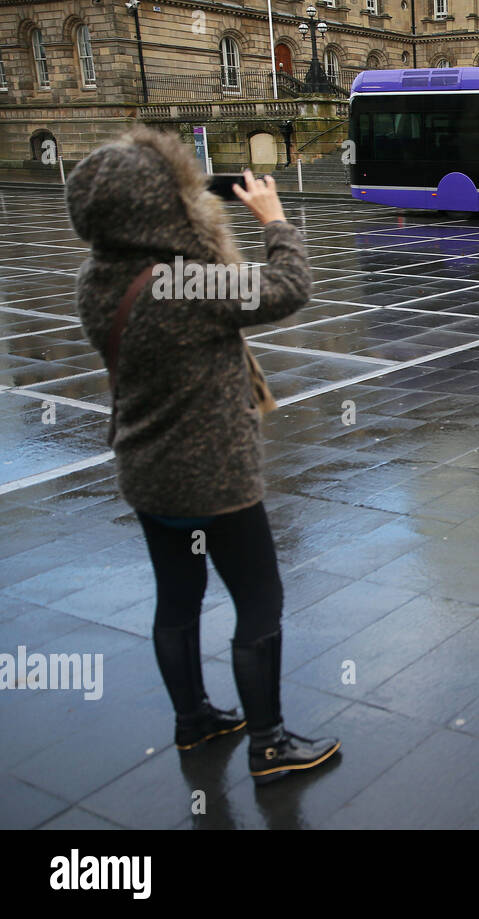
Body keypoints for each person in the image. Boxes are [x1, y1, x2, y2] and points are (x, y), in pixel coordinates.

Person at [65, 126, 340, 786]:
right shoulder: (185, 285)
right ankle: (270, 743)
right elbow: (288, 286)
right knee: (259, 597)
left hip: (146, 472)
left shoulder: (96, 280)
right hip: (215, 477)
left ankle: (195, 720)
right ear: (163, 208)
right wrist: (274, 220)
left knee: (177, 600)